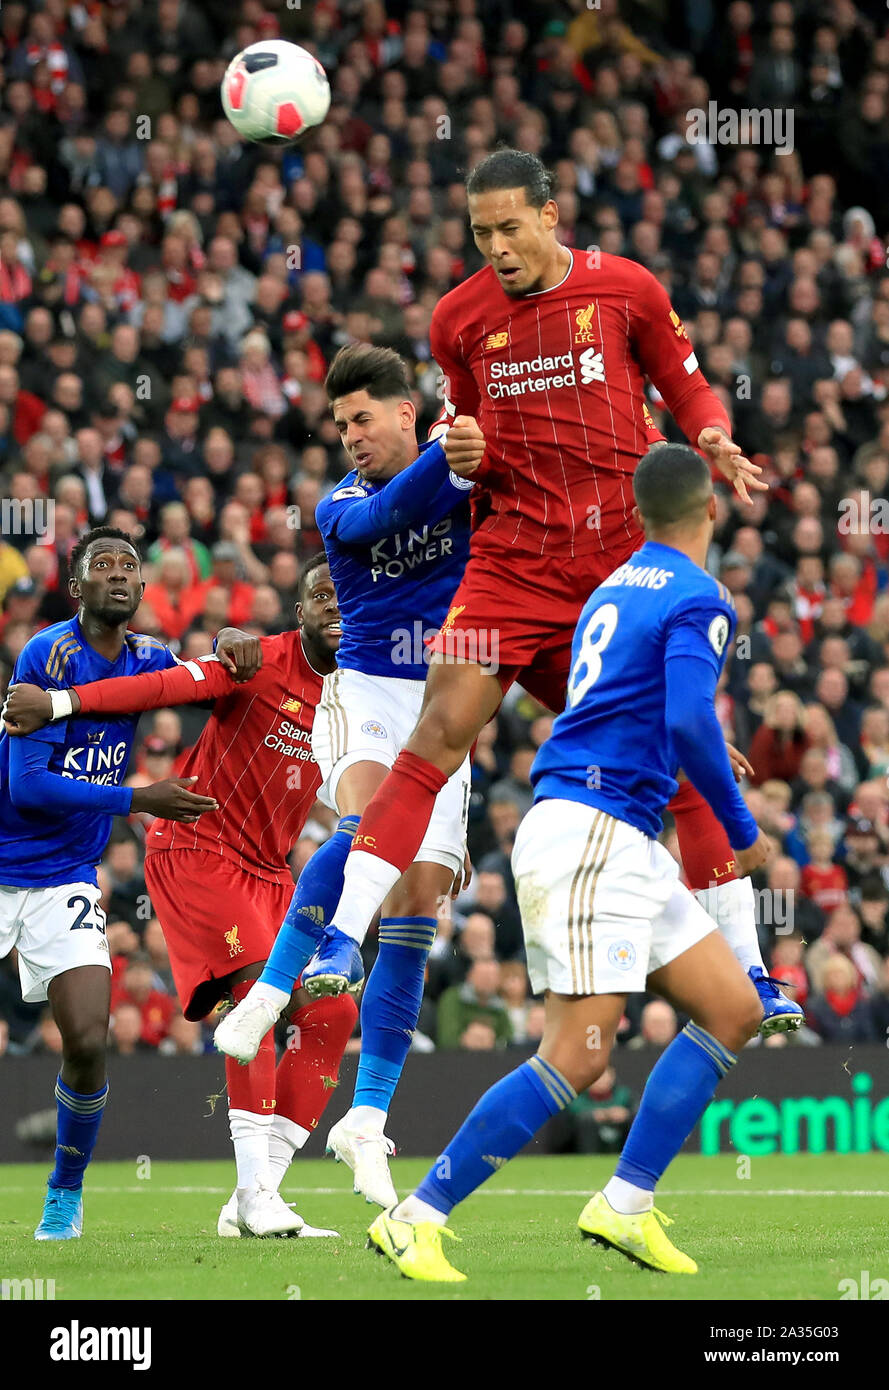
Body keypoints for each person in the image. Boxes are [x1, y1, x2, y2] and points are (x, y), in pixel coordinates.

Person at [298, 148, 798, 1040]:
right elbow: (464, 426)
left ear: (549, 215)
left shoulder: (626, 289)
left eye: (508, 227)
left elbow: (681, 380)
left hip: (616, 567)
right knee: (438, 731)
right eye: (479, 232)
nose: (495, 246)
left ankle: (753, 972)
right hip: (513, 560)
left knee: (674, 760)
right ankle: (340, 940)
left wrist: (712, 434)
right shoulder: (458, 319)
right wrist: (464, 451)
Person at [366, 443, 770, 1282]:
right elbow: (691, 720)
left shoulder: (611, 589)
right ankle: (417, 1215)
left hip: (609, 829)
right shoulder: (702, 596)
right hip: (595, 834)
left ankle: (623, 1205)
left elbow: (638, 707)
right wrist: (736, 826)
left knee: (732, 1008)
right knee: (580, 1053)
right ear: (711, 511)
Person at [3, 554, 357, 1239]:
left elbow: (369, 777)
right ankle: (254, 1194)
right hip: (198, 848)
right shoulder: (249, 663)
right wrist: (62, 706)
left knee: (332, 1012)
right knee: (255, 995)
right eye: (320, 594)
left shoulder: (360, 693)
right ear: (298, 609)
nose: (334, 607)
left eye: (345, 597)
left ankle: (256, 1193)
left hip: (264, 871)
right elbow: (149, 692)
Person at [215, 343, 474, 1208]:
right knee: (369, 823)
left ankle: (365, 1120)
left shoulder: (465, 473)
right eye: (339, 424)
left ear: (405, 411)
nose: (350, 436)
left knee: (416, 906)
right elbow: (387, 520)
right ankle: (278, 983)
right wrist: (455, 445)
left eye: (362, 418)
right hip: (365, 690)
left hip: (450, 697)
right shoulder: (342, 505)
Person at [0, 527, 221, 1241]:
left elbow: (212, 682)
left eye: (130, 565)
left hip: (64, 874)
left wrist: (240, 643)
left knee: (90, 1039)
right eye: (104, 566)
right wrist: (136, 799)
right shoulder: (48, 654)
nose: (120, 575)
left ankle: (64, 1194)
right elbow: (28, 786)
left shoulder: (151, 657)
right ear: (77, 587)